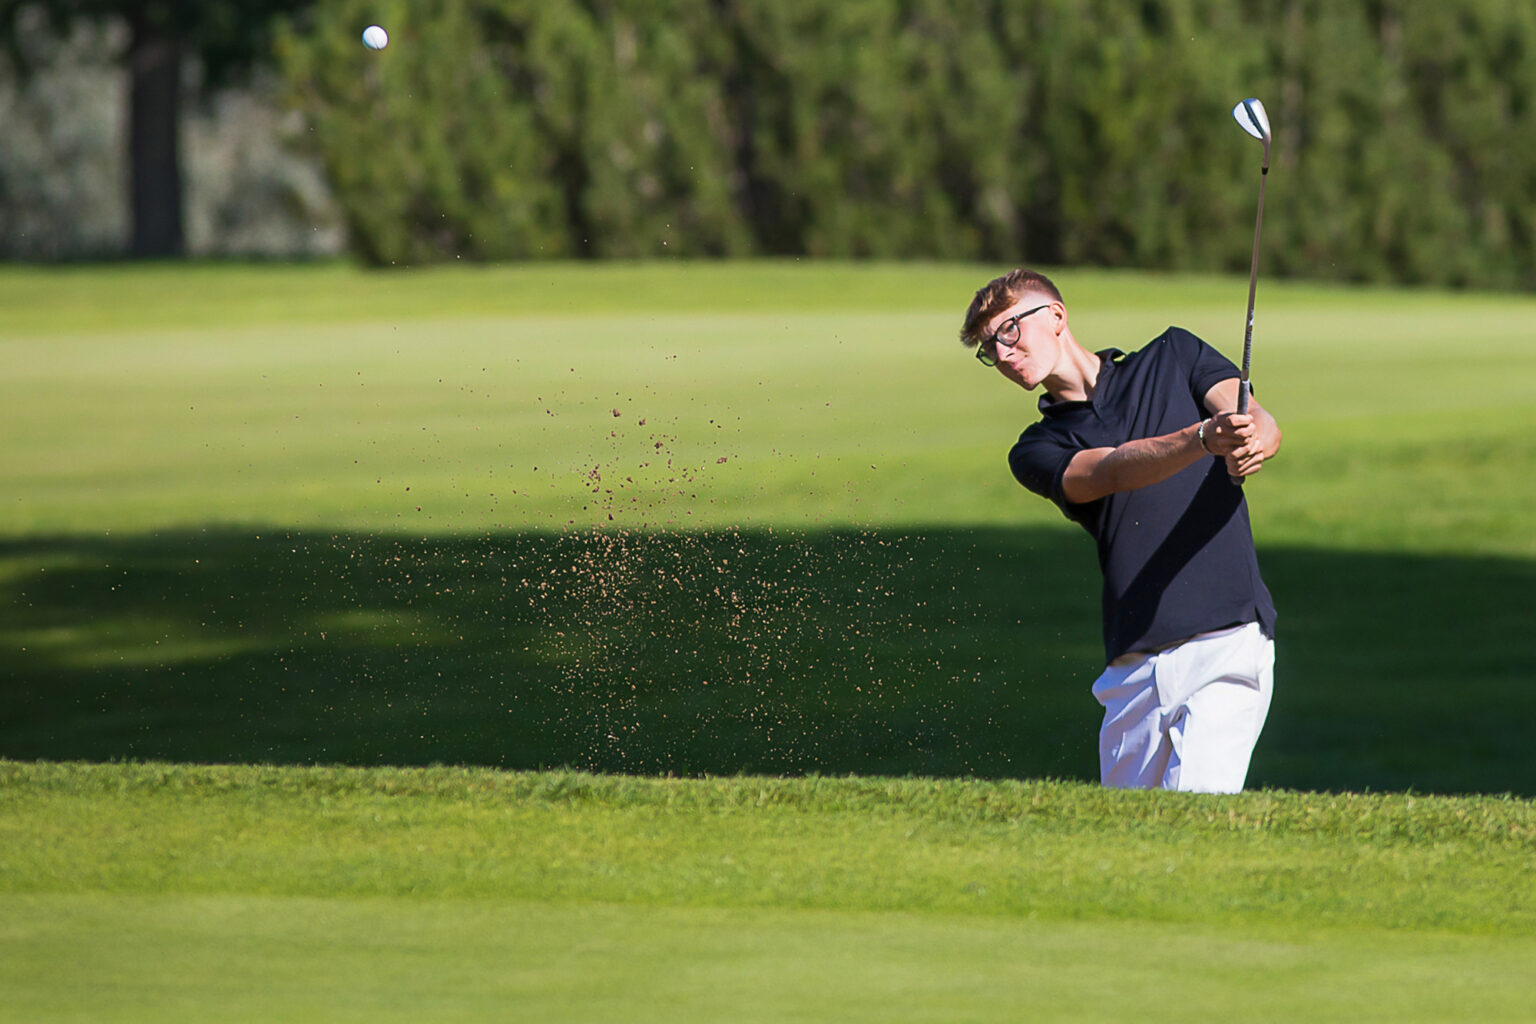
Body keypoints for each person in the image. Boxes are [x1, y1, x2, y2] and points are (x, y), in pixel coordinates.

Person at [959, 269, 1282, 794]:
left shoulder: (1175, 356)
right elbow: (1111, 471)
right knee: (1133, 845)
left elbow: (1259, 422)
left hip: (1225, 639)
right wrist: (1202, 437)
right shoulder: (1036, 448)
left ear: (1056, 316)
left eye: (1009, 331)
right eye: (989, 349)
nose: (1002, 354)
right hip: (1132, 670)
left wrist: (1250, 440)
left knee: (1195, 812)